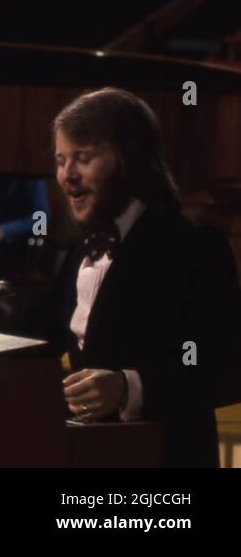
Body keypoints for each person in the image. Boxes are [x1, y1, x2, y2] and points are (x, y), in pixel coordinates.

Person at [48, 87, 241, 467]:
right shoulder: (79, 251)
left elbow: (225, 369)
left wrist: (128, 387)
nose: (67, 176)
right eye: (60, 160)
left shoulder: (192, 245)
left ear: (128, 161)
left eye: (83, 158)